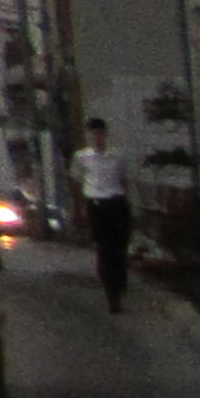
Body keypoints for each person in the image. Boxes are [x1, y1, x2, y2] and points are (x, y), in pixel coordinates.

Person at [76, 117, 131, 313]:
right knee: (105, 249)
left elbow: (124, 179)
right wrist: (84, 207)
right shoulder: (82, 157)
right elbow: (78, 179)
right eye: (92, 134)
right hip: (97, 205)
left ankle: (120, 280)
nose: (96, 138)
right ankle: (112, 296)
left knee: (120, 246)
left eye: (99, 134)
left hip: (116, 202)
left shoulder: (117, 156)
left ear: (105, 134)